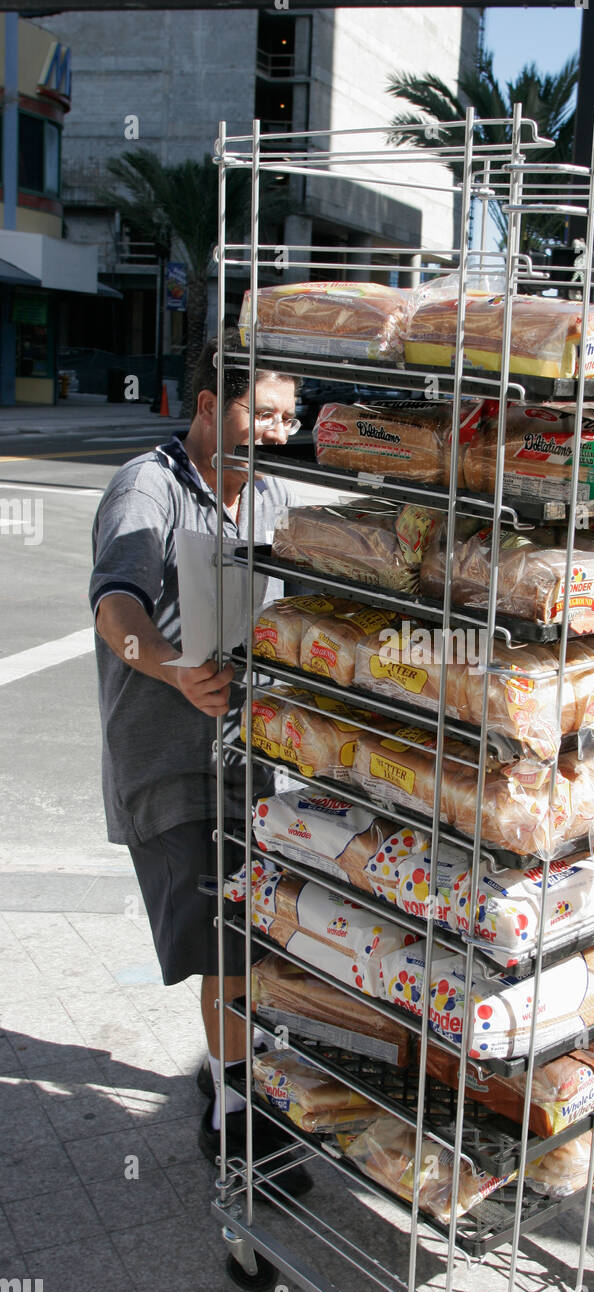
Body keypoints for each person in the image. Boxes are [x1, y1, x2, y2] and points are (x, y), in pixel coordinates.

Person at [89, 338, 311, 1188]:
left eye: (289, 417)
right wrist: (172, 664)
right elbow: (117, 605)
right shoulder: (148, 488)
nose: (278, 432)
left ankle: (224, 1068)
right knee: (226, 944)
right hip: (170, 760)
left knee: (254, 935)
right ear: (211, 403)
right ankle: (236, 1121)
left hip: (254, 761)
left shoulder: (270, 493)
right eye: (263, 412)